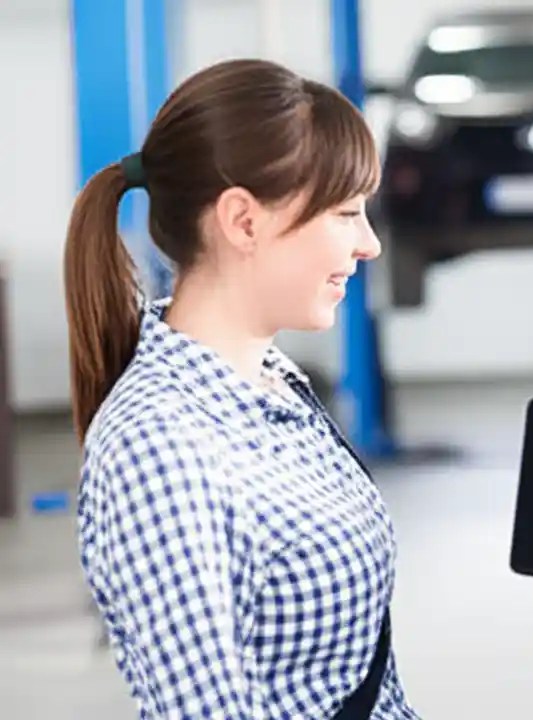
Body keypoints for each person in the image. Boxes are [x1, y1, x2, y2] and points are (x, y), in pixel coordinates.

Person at [65, 58, 418, 719]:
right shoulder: (159, 447)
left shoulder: (274, 383)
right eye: (345, 213)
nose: (368, 243)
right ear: (243, 222)